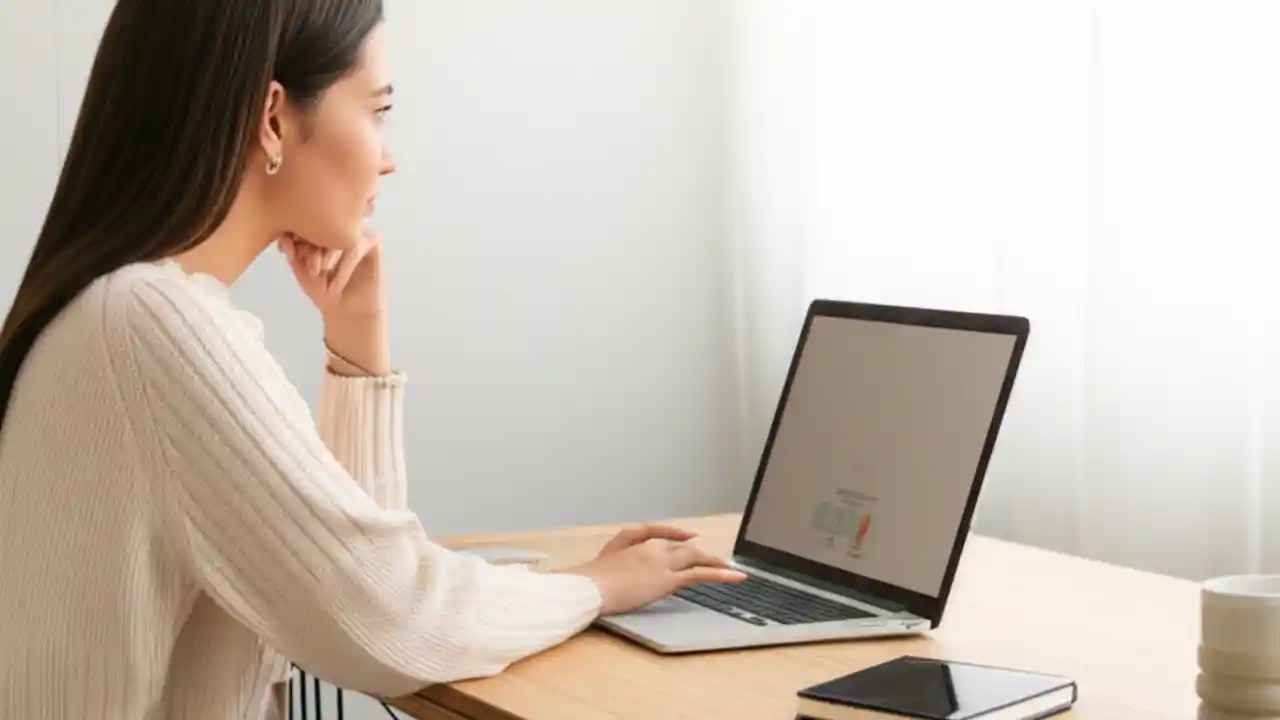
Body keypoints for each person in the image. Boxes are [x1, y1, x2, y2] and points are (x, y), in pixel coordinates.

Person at [0, 1, 746, 717]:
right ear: (272, 119)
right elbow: (391, 620)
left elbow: (356, 585)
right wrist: (595, 586)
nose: (387, 159)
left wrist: (358, 350)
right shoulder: (151, 325)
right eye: (378, 110)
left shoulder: (126, 311)